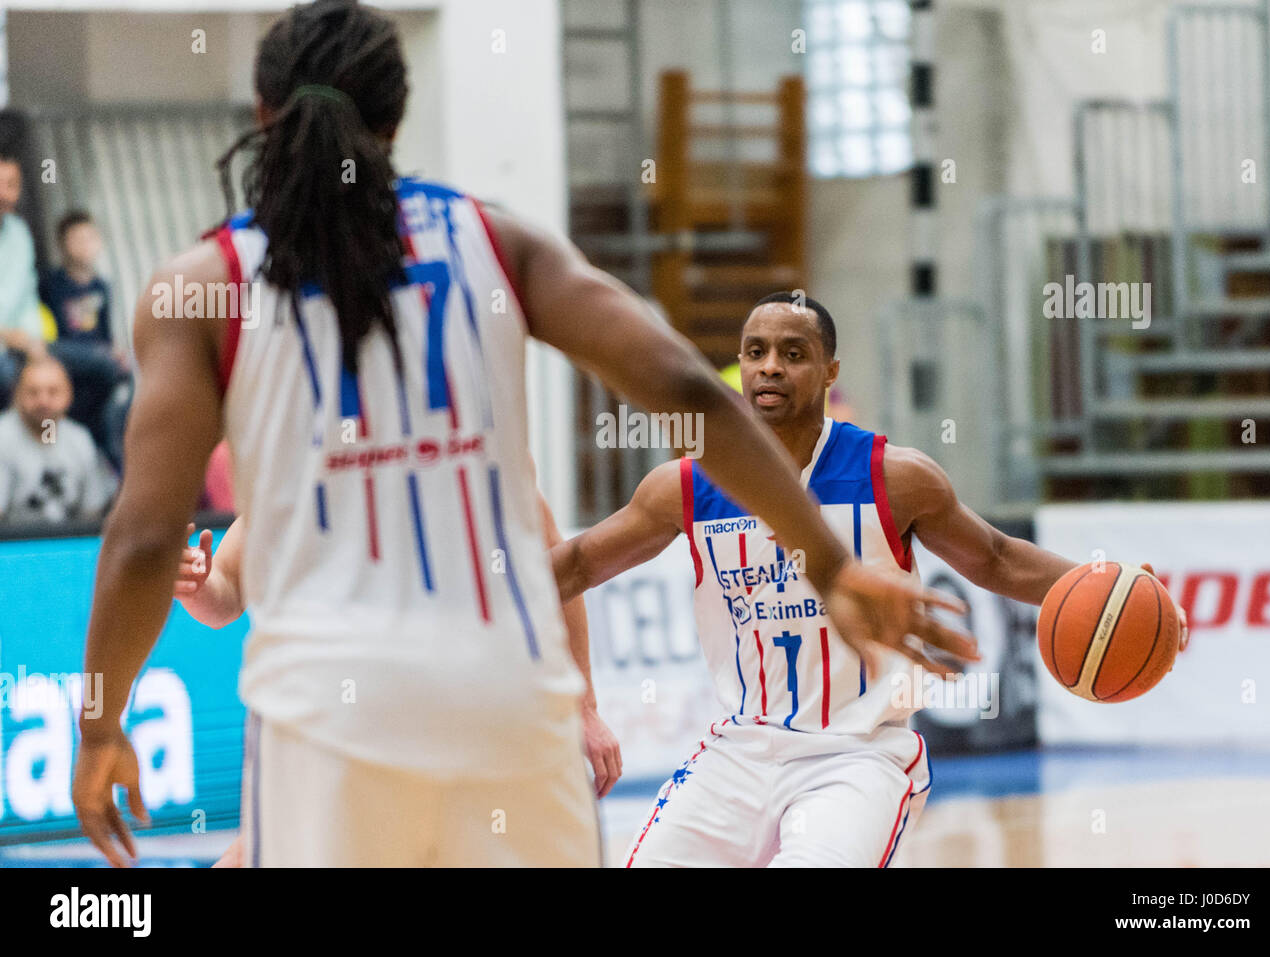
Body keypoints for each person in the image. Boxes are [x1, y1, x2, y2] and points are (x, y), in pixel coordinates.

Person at [72, 0, 973, 869]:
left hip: (328, 717)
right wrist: (829, 559)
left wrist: (102, 724)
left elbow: (147, 536)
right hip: (503, 699)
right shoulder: (494, 241)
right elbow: (684, 386)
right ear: (397, 119)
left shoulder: (201, 285)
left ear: (261, 113)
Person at [550, 291, 1191, 868]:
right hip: (739, 746)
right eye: (755, 352)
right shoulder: (685, 487)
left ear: (830, 372)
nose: (769, 366)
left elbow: (996, 557)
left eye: (792, 353)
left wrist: (1114, 588)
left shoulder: (895, 476)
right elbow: (576, 565)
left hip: (857, 755)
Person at [173, 486, 624, 867]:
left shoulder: (465, 439)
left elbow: (560, 565)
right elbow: (225, 593)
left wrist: (583, 706)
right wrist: (198, 584)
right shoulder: (299, 469)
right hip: (351, 722)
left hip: (470, 715)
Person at [41, 210, 133, 466]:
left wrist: (115, 352)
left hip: (99, 361)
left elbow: (105, 331)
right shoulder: (51, 284)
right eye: (76, 239)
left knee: (128, 378)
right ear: (62, 245)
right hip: (67, 355)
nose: (84, 245)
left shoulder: (102, 286)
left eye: (89, 238)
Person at [0, 356, 117, 528]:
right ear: (16, 395)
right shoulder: (3, 437)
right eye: (33, 392)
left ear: (69, 394)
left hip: (68, 546)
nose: (44, 401)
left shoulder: (79, 438)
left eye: (53, 392)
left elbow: (92, 512)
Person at [0, 145, 46, 408]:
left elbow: (25, 295)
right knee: (7, 376)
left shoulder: (19, 232)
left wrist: (33, 341)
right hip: (7, 347)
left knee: (106, 367)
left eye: (12, 184)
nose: (3, 193)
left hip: (26, 341)